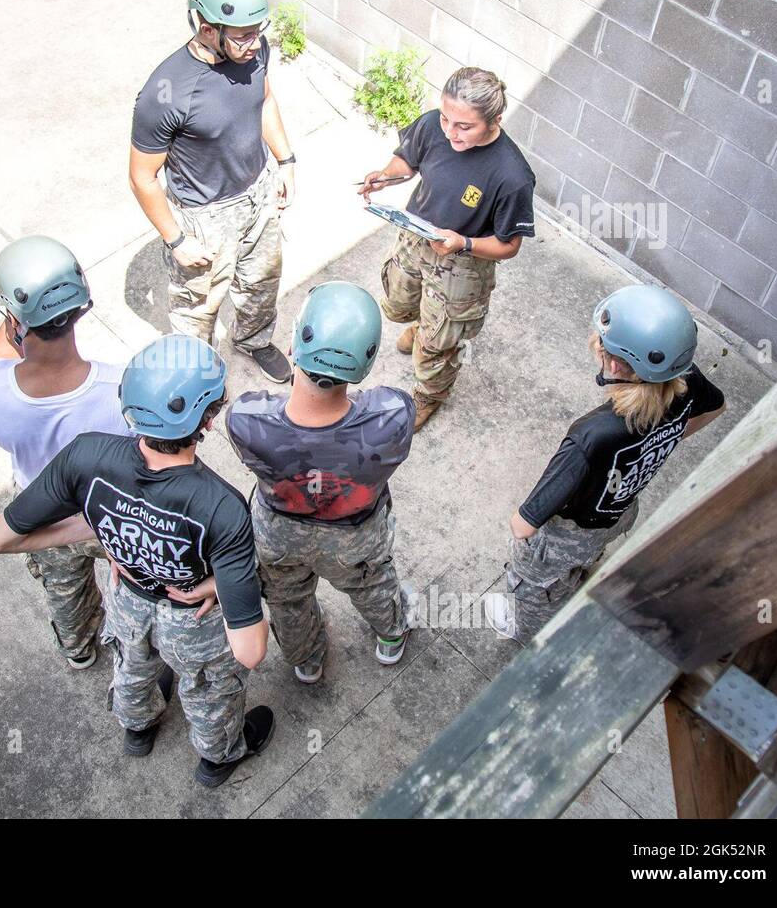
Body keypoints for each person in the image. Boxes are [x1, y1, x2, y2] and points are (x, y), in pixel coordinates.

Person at [0, 334, 276, 787]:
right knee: (210, 688)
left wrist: (108, 534)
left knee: (133, 667)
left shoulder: (86, 454)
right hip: (193, 619)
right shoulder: (222, 506)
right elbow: (250, 651)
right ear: (206, 421)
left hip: (128, 601)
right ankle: (217, 758)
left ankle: (138, 729)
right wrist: (222, 584)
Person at [482, 284, 727, 641]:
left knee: (538, 586)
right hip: (619, 510)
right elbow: (717, 408)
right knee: (587, 557)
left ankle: (527, 629)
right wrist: (665, 439)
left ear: (613, 363)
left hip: (570, 533)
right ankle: (578, 576)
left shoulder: (591, 436)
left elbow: (523, 526)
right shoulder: (687, 382)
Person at [227, 282, 417, 682]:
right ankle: (391, 636)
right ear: (364, 364)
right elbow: (389, 402)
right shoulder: (392, 417)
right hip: (356, 534)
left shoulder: (248, 420)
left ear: (295, 347)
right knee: (372, 584)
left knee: (287, 599)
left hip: (279, 535)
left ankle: (306, 660)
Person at [0, 235, 129, 670]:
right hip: (107, 515)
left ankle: (78, 649)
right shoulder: (124, 390)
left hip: (39, 512)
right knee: (129, 587)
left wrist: (15, 313)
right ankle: (130, 647)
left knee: (63, 589)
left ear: (15, 320)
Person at [130, 0, 296, 385]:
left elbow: (265, 100)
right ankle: (194, 370)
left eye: (258, 31)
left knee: (262, 282)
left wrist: (285, 161)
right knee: (196, 304)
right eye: (242, 35)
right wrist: (177, 239)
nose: (254, 43)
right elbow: (142, 176)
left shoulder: (256, 50)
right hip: (204, 214)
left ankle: (254, 340)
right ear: (207, 28)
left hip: (258, 192)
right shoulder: (166, 93)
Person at [359, 66, 536, 430]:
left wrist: (463, 243)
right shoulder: (433, 126)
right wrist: (386, 175)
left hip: (463, 262)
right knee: (396, 305)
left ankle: (429, 395)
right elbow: (408, 162)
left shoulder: (513, 175)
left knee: (439, 344)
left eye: (464, 126)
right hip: (415, 235)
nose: (450, 132)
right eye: (446, 118)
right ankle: (423, 324)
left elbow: (509, 244)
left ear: (495, 119)